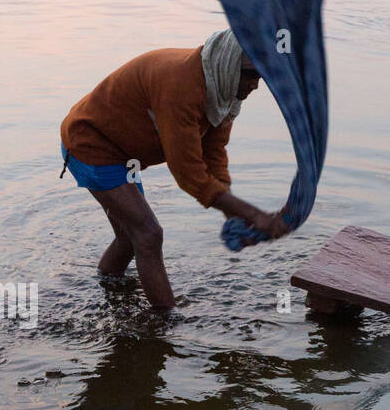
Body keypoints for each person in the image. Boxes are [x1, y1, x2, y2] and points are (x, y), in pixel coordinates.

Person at [60, 29, 290, 309]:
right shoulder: (181, 88)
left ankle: (110, 288)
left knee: (130, 236)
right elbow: (188, 172)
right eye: (251, 75)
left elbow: (213, 151)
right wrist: (254, 215)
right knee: (148, 234)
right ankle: (166, 325)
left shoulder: (222, 92)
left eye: (262, 76)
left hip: (121, 153)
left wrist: (231, 209)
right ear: (229, 65)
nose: (256, 85)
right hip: (90, 142)